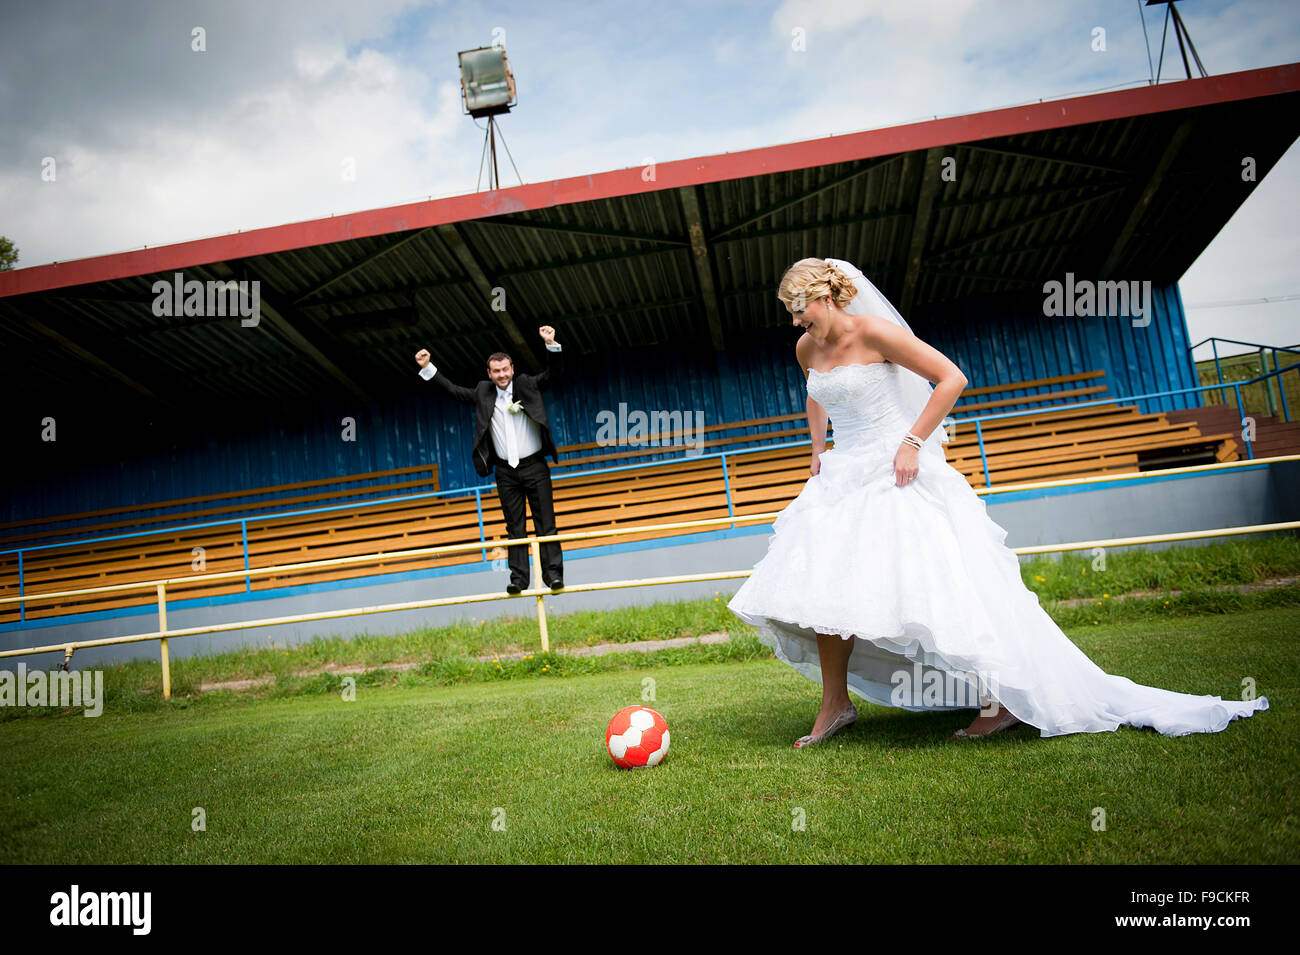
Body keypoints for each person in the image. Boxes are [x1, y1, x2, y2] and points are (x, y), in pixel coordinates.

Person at [727, 258, 1269, 747]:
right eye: (792, 314)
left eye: (801, 311)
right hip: (843, 478)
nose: (797, 323)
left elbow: (950, 378)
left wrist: (912, 442)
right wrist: (817, 451)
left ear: (826, 298)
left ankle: (1004, 697)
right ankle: (835, 704)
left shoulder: (876, 332)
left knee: (948, 585)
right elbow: (816, 391)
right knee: (825, 586)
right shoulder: (806, 347)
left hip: (897, 469)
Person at [415, 326, 564, 594]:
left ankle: (553, 575)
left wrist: (551, 344)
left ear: (512, 368)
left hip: (535, 467)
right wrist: (428, 367)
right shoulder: (483, 392)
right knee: (514, 527)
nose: (502, 375)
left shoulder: (527, 384)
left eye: (505, 369)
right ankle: (519, 580)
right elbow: (454, 391)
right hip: (506, 472)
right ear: (489, 374)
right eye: (496, 371)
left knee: (546, 523)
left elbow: (553, 374)